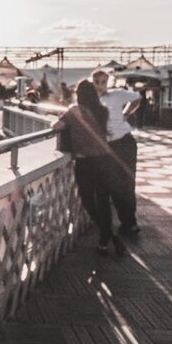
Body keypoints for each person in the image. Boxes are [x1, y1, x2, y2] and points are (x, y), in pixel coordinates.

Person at [53, 79, 122, 255]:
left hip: (85, 162)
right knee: (103, 200)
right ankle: (105, 240)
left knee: (87, 200)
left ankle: (106, 233)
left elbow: (56, 126)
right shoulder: (103, 111)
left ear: (78, 95)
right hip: (105, 159)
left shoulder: (74, 111)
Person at [91, 69, 141, 236]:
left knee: (127, 182)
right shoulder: (90, 101)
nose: (100, 85)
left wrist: (126, 113)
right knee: (114, 184)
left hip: (125, 142)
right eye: (97, 82)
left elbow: (137, 98)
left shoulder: (117, 95)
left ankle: (130, 223)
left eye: (103, 81)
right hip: (107, 146)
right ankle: (124, 221)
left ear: (108, 82)